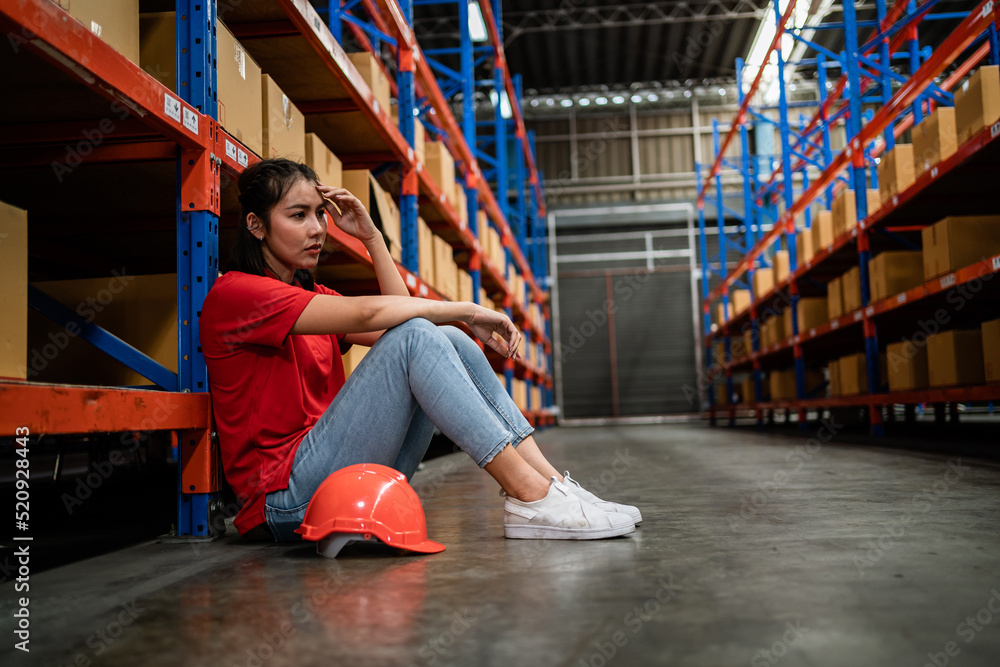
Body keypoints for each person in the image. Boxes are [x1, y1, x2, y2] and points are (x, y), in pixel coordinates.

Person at [199, 158, 642, 544]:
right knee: (425, 334)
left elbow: (405, 320)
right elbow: (370, 316)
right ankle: (528, 496)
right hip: (283, 500)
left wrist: (372, 238)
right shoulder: (237, 295)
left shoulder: (312, 295)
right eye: (298, 215)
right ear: (256, 225)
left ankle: (550, 483)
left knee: (443, 336)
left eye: (320, 214)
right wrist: (467, 309)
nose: (317, 229)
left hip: (339, 481)